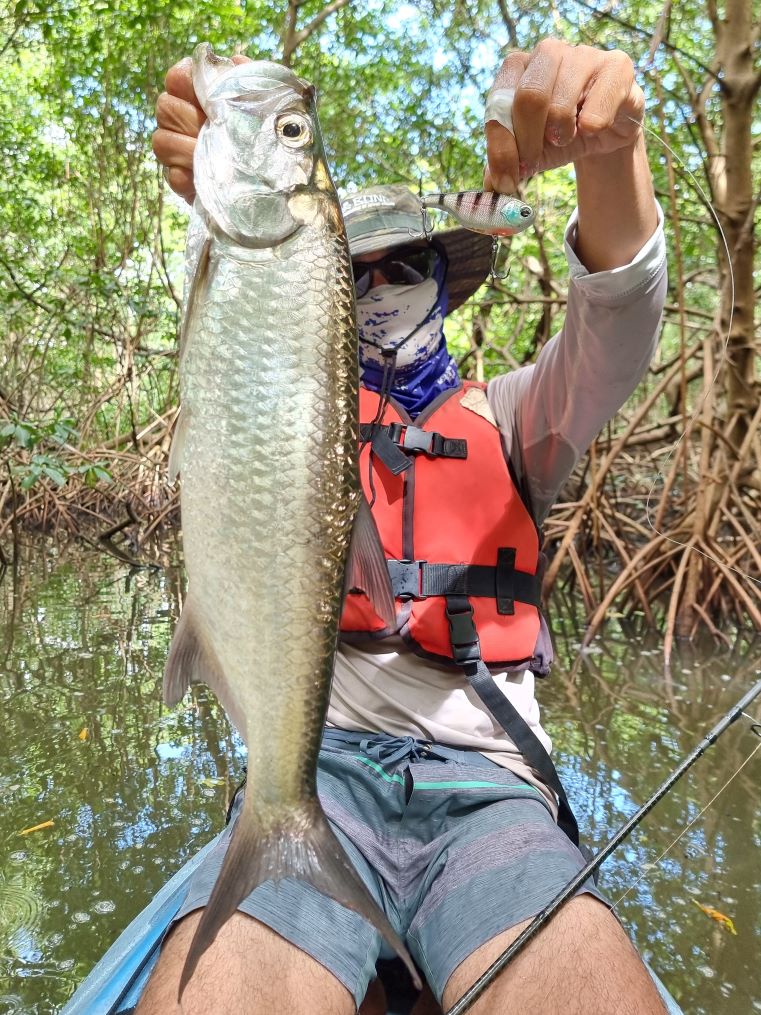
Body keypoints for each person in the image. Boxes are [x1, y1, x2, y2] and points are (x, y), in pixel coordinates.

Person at [145, 38, 669, 1015]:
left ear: (443, 280)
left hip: (484, 781)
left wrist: (609, 152)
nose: (380, 288)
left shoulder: (518, 415)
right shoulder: (286, 402)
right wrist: (215, 163)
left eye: (406, 268)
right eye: (359, 273)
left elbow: (619, 311)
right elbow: (240, 318)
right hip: (316, 760)